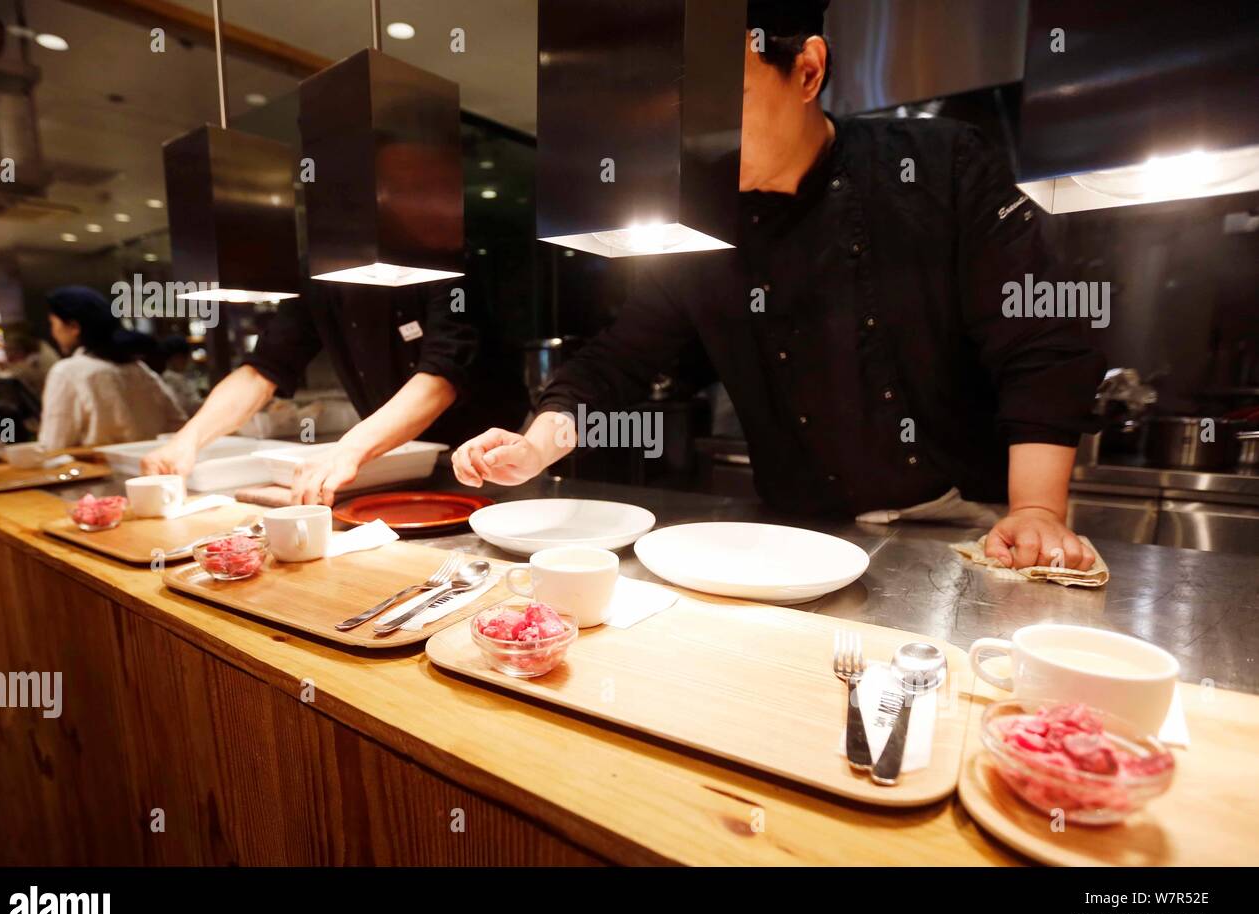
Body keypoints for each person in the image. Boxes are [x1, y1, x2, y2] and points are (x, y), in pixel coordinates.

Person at [452, 0, 1106, 572]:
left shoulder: (939, 165)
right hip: (797, 537)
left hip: (972, 525)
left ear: (808, 70)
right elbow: (617, 361)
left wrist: (1038, 509)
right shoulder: (700, 223)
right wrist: (539, 444)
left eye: (722, 100)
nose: (696, 136)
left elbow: (1043, 338)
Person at [140, 277, 477, 505]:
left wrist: (348, 450)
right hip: (394, 468)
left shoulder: (431, 258)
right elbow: (262, 370)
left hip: (484, 465)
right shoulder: (318, 277)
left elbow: (441, 377)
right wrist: (186, 440)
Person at [38, 286, 187, 450]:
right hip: (150, 469)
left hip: (96, 472)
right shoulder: (138, 368)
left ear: (74, 327)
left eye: (53, 323)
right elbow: (178, 424)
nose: (53, 332)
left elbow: (53, 444)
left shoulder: (67, 372)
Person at [2, 328, 58, 398]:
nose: (8, 355)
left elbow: (18, 374)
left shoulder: (42, 360)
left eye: (10, 349)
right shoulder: (39, 349)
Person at [157, 335, 203, 415]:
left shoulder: (165, 378)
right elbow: (191, 407)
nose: (187, 360)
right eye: (183, 357)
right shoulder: (172, 379)